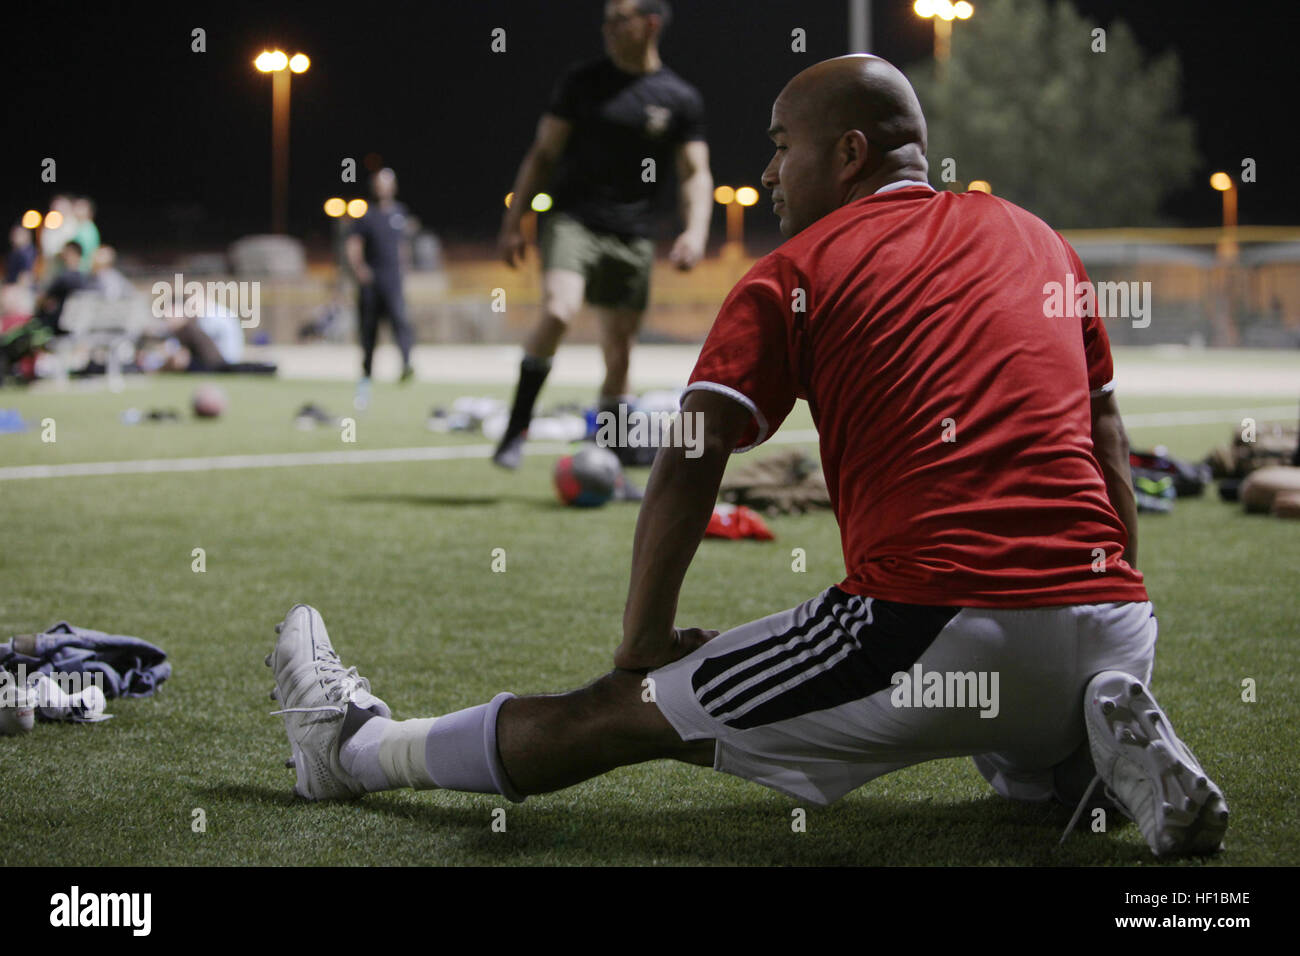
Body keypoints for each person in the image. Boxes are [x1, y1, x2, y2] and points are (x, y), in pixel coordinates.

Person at [267, 55, 1227, 859]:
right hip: (1117, 624)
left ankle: (353, 749)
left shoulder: (796, 273)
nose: (766, 174)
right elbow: (1107, 443)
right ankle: (1078, 757)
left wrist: (643, 646)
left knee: (623, 710)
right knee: (1009, 722)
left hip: (938, 624)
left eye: (779, 145)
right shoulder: (1038, 240)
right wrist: (1109, 591)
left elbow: (691, 454)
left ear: (848, 153)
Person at [492, 0, 712, 468]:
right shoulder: (582, 82)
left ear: (650, 25)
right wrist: (515, 222)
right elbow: (542, 155)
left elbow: (695, 173)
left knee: (620, 353)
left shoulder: (679, 98)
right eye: (607, 19)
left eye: (619, 20)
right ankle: (516, 427)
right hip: (575, 220)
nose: (607, 28)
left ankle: (614, 451)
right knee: (558, 309)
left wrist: (695, 231)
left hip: (632, 234)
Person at [345, 168, 414, 409]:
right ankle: (366, 375)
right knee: (369, 331)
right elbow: (353, 245)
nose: (383, 188)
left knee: (401, 322)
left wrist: (404, 271)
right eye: (379, 184)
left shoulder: (399, 213)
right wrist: (361, 270)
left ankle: (406, 364)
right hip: (372, 284)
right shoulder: (366, 215)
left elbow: (403, 246)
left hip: (392, 282)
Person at [35, 241, 96, 334]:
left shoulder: (64, 278)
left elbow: (43, 299)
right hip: (79, 326)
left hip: (57, 326)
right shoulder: (86, 279)